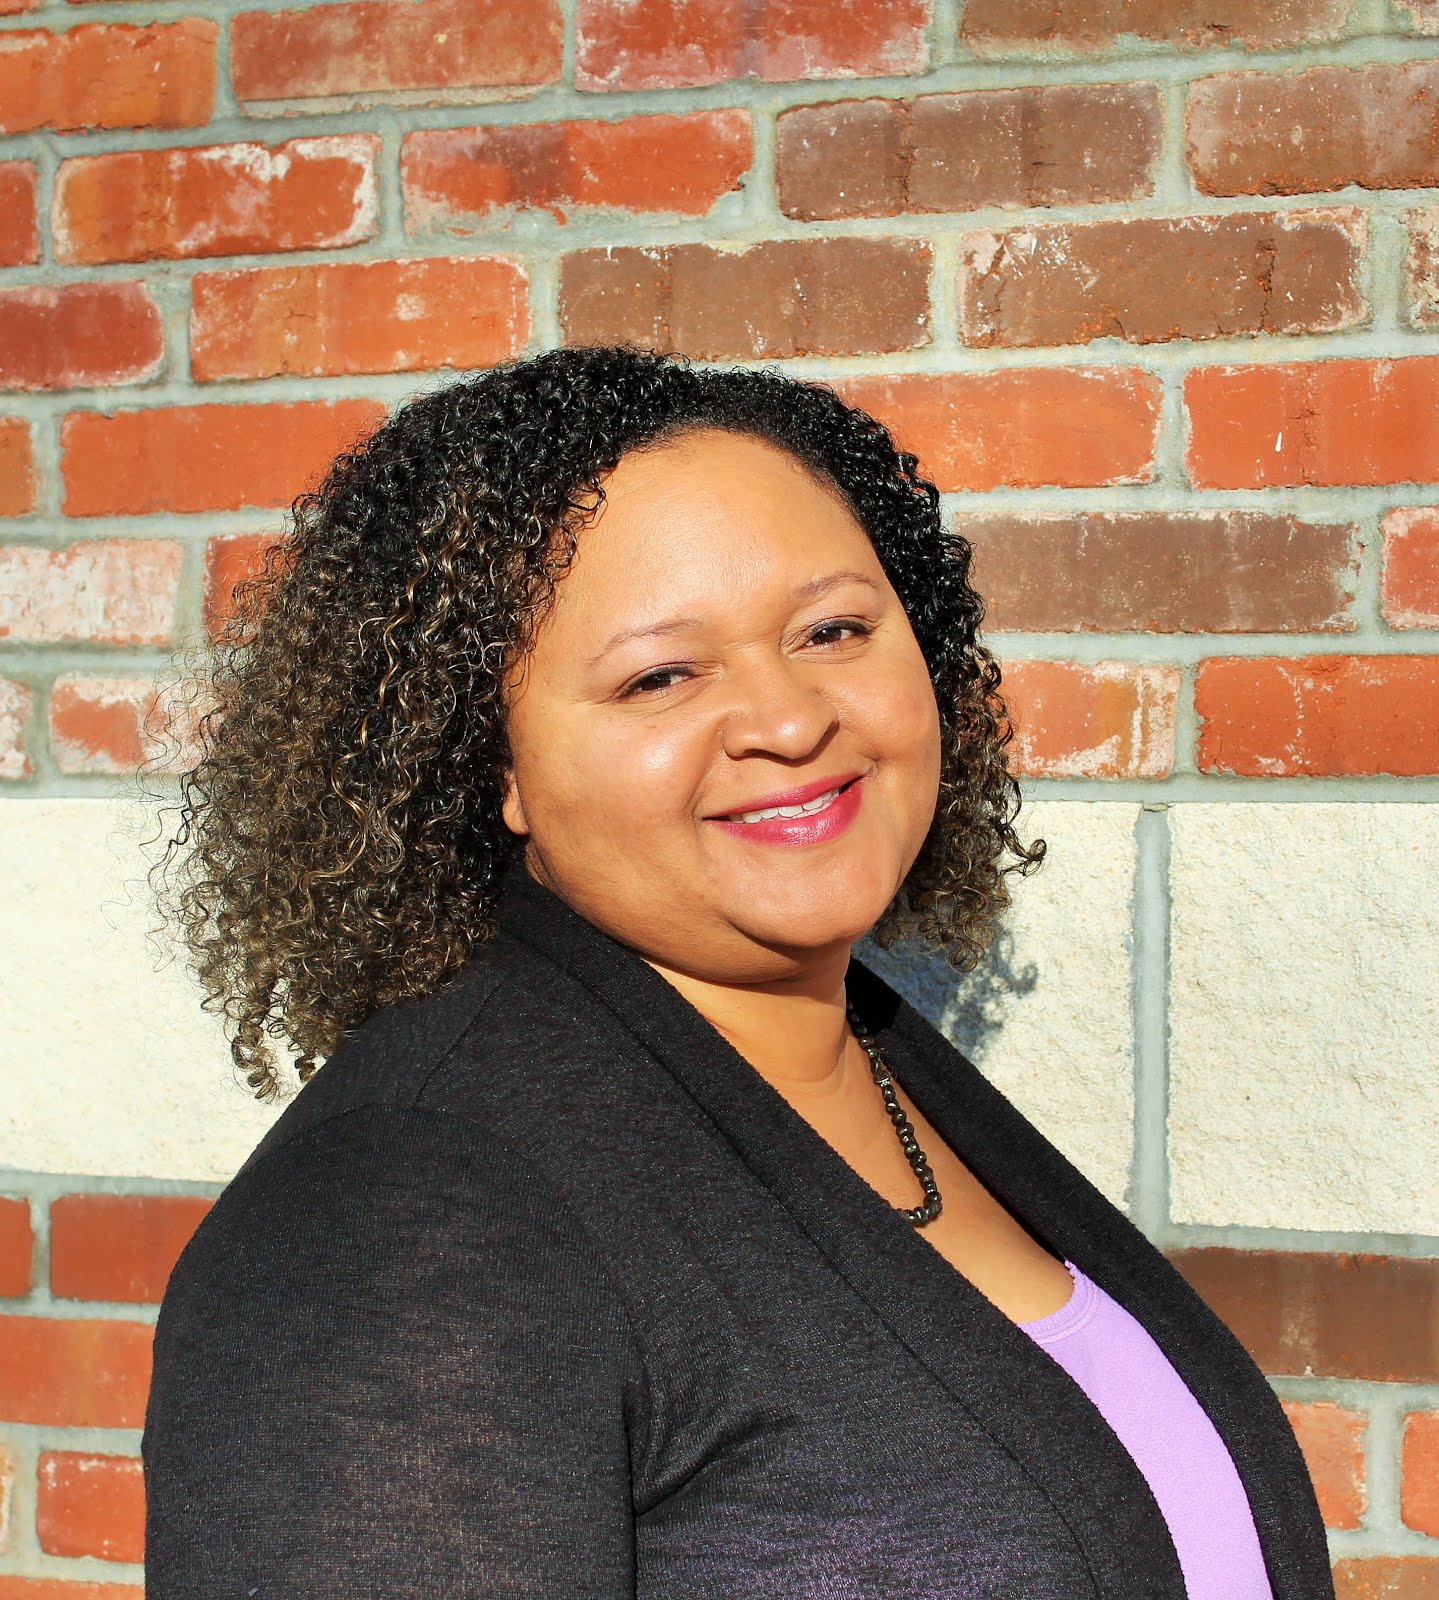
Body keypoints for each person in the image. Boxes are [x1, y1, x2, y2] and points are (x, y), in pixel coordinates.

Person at [141, 343, 1332, 1598]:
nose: (787, 715)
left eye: (831, 629)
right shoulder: (405, 1215)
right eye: (661, 674)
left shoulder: (871, 1063)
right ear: (484, 761)